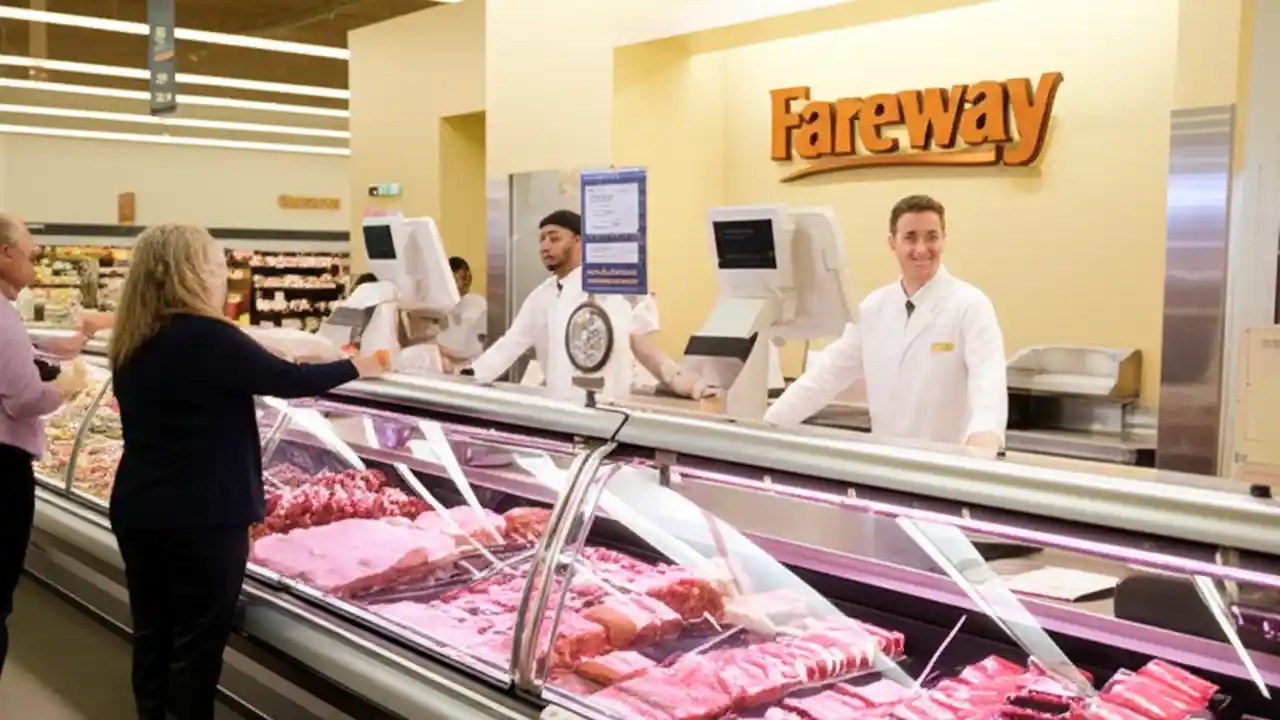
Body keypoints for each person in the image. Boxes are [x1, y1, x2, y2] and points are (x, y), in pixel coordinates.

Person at [107, 224, 386, 720]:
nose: (223, 273)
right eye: (216, 263)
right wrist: (358, 365)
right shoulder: (208, 336)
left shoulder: (135, 336)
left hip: (141, 507)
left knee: (153, 636)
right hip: (203, 516)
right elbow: (289, 380)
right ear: (194, 271)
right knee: (196, 647)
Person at [764, 195, 1007, 453]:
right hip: (887, 464)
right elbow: (825, 376)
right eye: (910, 237)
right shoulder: (872, 308)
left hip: (946, 466)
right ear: (892, 243)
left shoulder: (970, 305)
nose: (922, 249)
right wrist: (766, 426)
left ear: (944, 239)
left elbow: (988, 383)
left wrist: (984, 445)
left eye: (932, 237)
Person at [0, 214, 87, 677]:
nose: (34, 262)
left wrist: (48, 349)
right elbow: (23, 401)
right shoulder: (1, 314)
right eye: (28, 253)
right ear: (3, 253)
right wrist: (67, 389)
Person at [469, 210, 635, 397]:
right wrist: (470, 376)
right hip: (558, 405)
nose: (544, 246)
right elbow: (511, 343)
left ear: (578, 241)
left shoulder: (602, 290)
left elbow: (622, 350)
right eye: (542, 239)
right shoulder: (542, 295)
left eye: (554, 239)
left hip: (602, 406)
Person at [438, 256, 488, 368]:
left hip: (470, 366)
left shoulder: (479, 303)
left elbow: (484, 343)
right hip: (443, 364)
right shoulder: (438, 305)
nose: (463, 282)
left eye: (465, 277)